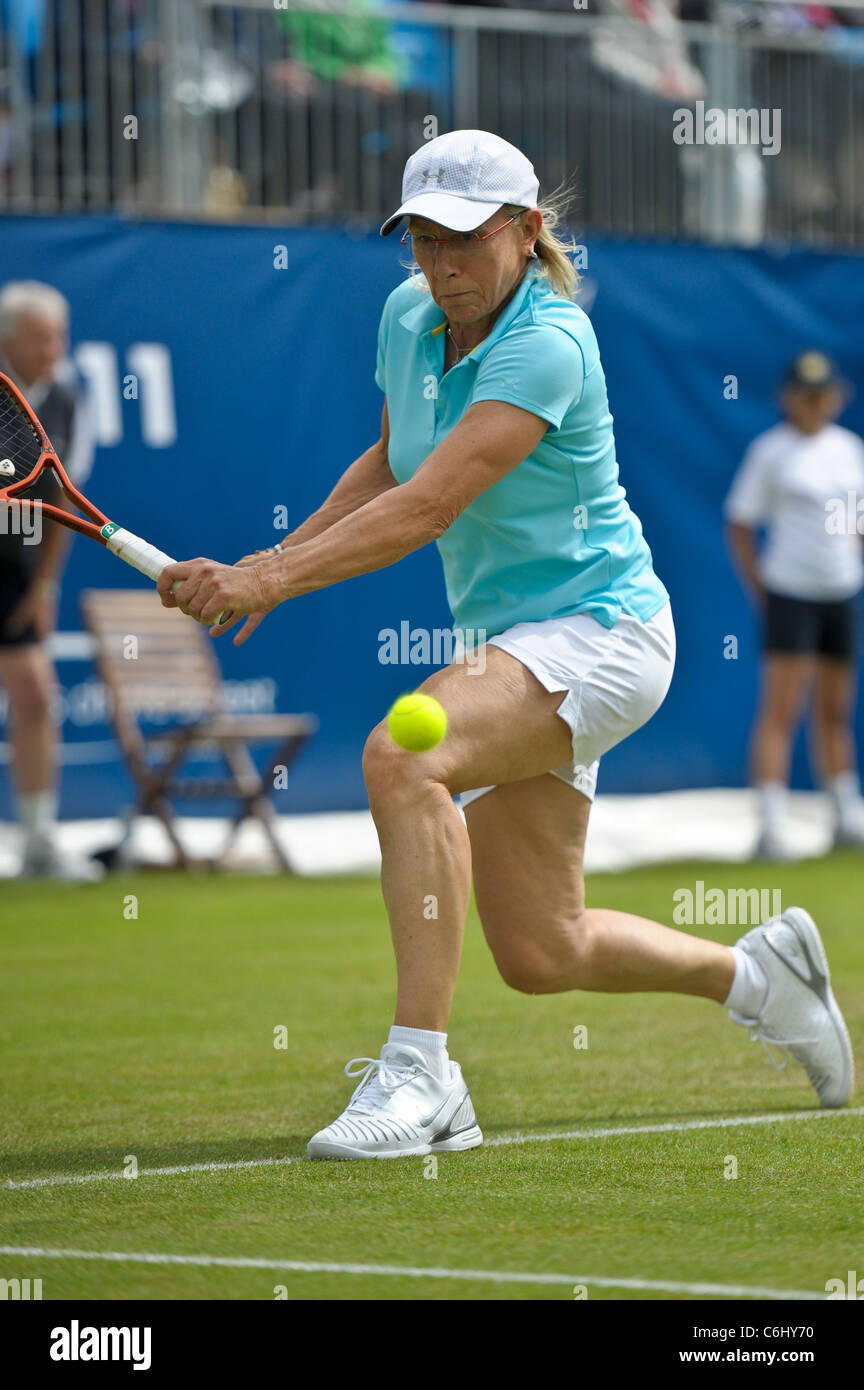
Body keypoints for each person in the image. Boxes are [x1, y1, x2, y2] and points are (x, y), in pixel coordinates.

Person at [158, 130, 854, 1158]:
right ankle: (761, 980)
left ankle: (423, 1076)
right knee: (541, 947)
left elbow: (432, 504)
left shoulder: (550, 341)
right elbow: (397, 461)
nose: (443, 265)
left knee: (405, 751)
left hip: (604, 631)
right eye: (424, 240)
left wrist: (264, 578)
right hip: (517, 640)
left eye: (466, 240)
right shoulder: (410, 315)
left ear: (528, 234)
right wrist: (276, 565)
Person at [726, 351, 864, 861]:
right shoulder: (771, 452)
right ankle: (770, 826)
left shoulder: (851, 449)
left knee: (836, 709)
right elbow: (740, 521)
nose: (813, 403)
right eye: (804, 394)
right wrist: (762, 586)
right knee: (782, 708)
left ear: (836, 397)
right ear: (789, 399)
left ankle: (846, 817)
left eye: (822, 394)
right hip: (791, 593)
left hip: (842, 592)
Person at [0, 280, 98, 879]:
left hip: (16, 572)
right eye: (39, 339)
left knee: (35, 697)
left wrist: (43, 588)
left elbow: (62, 500)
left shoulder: (64, 397)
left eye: (58, 336)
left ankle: (37, 843)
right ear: (7, 342)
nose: (53, 348)